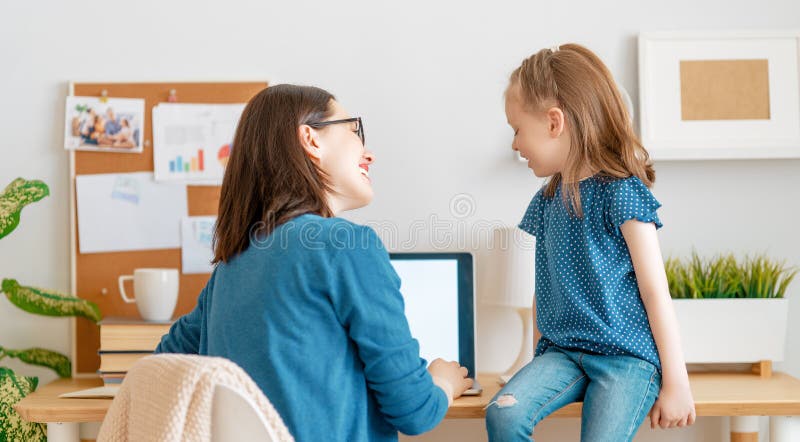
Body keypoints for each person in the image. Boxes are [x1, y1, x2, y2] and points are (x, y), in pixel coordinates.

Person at [155, 84, 472, 441]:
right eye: (354, 131)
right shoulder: (347, 244)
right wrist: (442, 382)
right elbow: (415, 411)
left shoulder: (231, 266)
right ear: (311, 139)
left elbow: (161, 364)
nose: (369, 154)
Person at [485, 44, 696, 441]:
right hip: (561, 355)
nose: (515, 144)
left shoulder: (623, 193)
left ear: (554, 122)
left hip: (625, 359)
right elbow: (542, 287)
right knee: (503, 414)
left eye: (517, 129)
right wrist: (535, 365)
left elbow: (655, 291)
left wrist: (677, 383)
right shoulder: (547, 200)